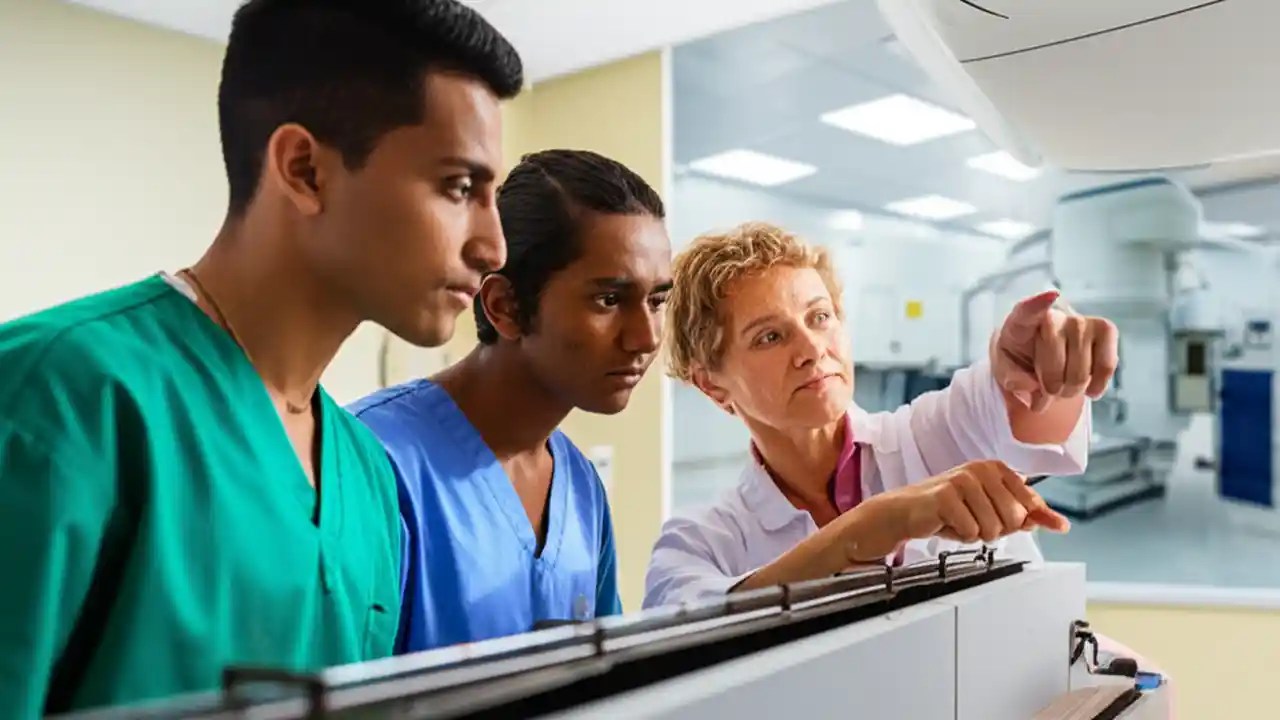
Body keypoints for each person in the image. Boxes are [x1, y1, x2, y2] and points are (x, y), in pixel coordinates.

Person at [0, 1, 522, 715]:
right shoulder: (57, 394)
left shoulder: (368, 481)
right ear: (305, 170)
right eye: (460, 188)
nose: (493, 247)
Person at [644, 221, 1114, 606]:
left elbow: (1008, 403)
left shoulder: (924, 436)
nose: (812, 349)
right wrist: (878, 524)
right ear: (712, 385)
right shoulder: (700, 540)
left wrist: (1032, 361)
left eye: (819, 317)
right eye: (770, 336)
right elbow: (691, 631)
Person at [350, 149, 671, 652]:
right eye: (609, 300)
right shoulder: (374, 462)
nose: (647, 337)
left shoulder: (581, 488)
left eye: (657, 301)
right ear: (505, 306)